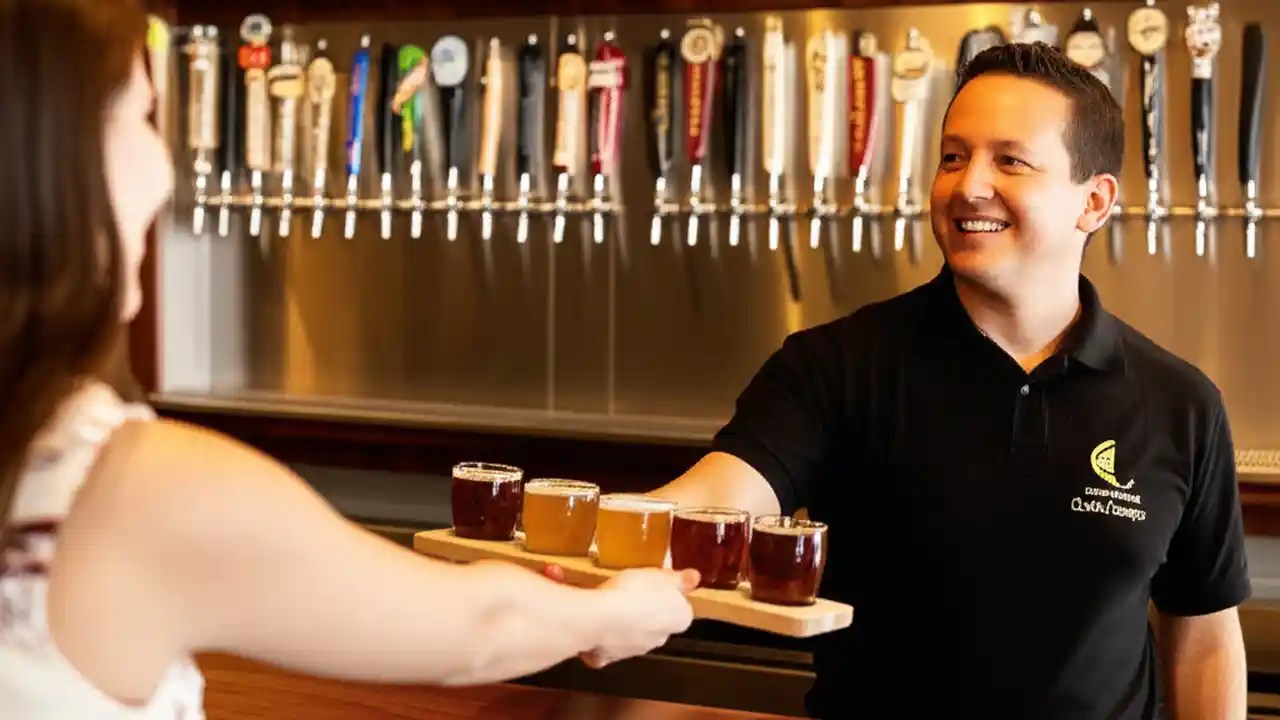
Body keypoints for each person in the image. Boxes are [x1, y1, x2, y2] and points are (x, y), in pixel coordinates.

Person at [0, 1, 698, 716]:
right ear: (50, 159)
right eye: (140, 118)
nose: (164, 170)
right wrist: (616, 612)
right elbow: (477, 629)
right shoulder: (129, 486)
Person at [651, 42, 1249, 719]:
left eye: (1010, 161)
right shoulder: (835, 367)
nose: (968, 186)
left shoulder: (1181, 404)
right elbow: (714, 500)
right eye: (954, 156)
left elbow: (1202, 633)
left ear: (1094, 201)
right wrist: (578, 552)